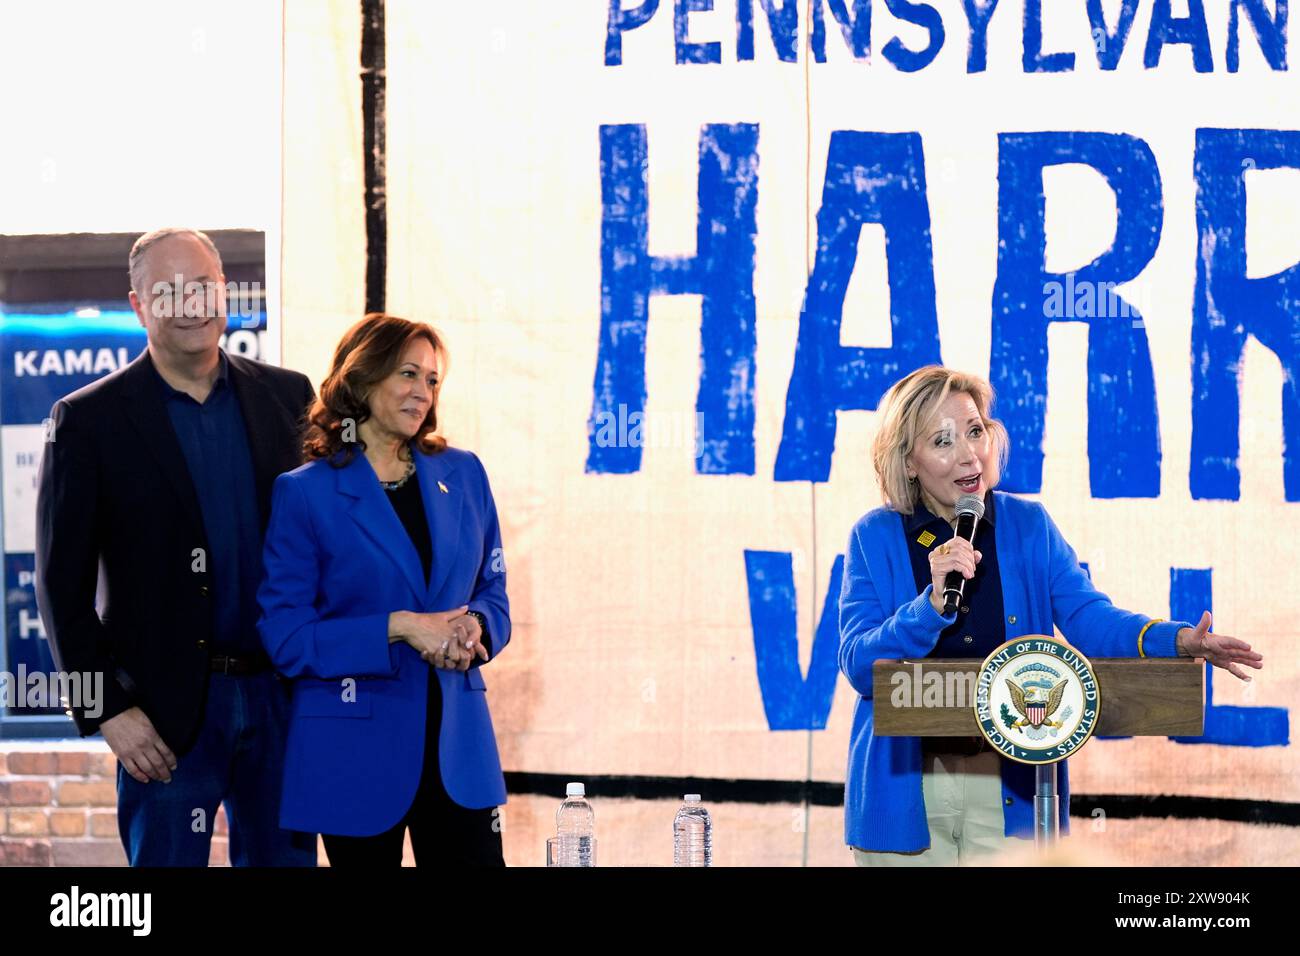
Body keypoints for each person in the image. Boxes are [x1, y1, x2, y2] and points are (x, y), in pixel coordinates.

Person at [838, 365, 1263, 866]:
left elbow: (1090, 618)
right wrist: (928, 607)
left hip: (1009, 791)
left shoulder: (1028, 525)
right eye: (942, 441)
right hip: (904, 796)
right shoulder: (874, 536)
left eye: (975, 431)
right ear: (908, 461)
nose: (969, 454)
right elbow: (859, 665)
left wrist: (1178, 641)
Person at [35, 227, 318, 866]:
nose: (188, 302)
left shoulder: (289, 396)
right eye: (167, 290)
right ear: (138, 305)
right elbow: (59, 587)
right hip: (161, 715)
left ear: (226, 293)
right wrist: (106, 709)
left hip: (281, 699)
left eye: (202, 285)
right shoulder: (86, 421)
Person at [257, 312, 510, 867]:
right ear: (362, 379)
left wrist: (477, 625)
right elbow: (286, 635)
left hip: (458, 751)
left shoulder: (464, 474)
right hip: (352, 752)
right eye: (408, 374)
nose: (423, 392)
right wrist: (398, 626)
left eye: (433, 380)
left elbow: (494, 590)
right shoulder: (305, 494)